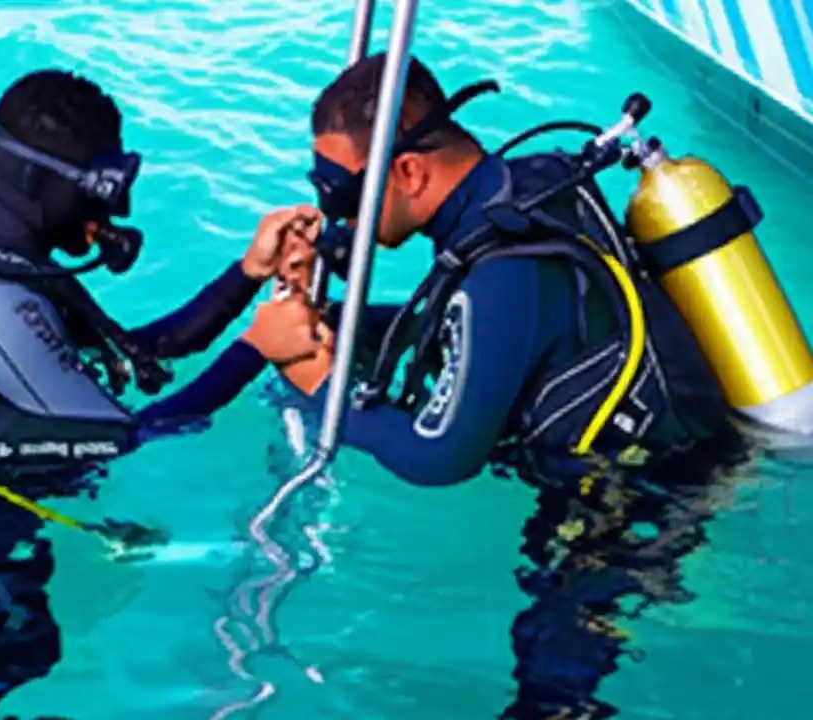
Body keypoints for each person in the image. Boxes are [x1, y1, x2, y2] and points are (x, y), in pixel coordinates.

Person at [239, 53, 754, 718]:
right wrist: (332, 323)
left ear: (409, 172)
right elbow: (453, 328)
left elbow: (439, 456)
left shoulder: (504, 271)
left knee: (551, 672)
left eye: (341, 193)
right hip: (671, 445)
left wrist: (318, 382)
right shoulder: (516, 191)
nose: (334, 213)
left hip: (638, 489)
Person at [0, 68, 317, 720]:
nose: (113, 212)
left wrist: (248, 273)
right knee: (23, 651)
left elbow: (132, 352)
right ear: (37, 180)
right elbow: (126, 437)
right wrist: (256, 351)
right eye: (100, 190)